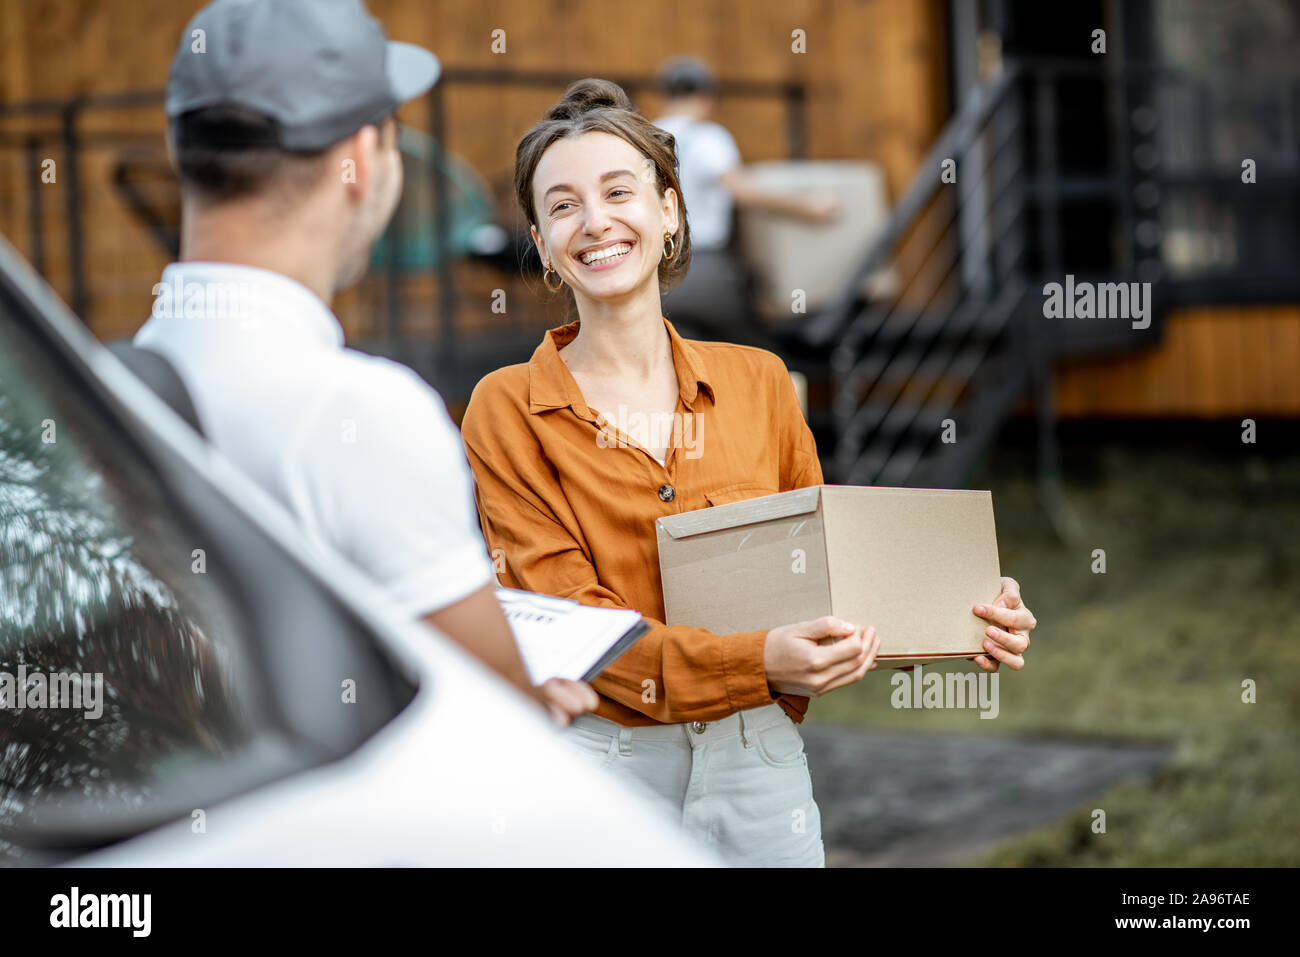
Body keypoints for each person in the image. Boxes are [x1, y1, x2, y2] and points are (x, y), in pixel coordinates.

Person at [133, 0, 596, 726]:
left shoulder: (97, 386)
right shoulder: (360, 411)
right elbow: (502, 704)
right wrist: (541, 697)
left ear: (179, 147)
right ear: (358, 159)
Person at [652, 56, 840, 342]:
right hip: (704, 266)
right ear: (706, 96)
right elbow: (742, 192)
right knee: (753, 355)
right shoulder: (708, 137)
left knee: (682, 353)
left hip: (659, 272)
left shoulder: (649, 136)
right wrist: (806, 206)